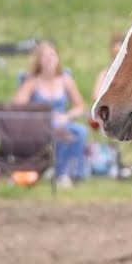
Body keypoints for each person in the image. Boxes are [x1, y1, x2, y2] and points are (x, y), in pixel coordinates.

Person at [13, 41, 88, 188]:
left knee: (80, 131)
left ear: (58, 59)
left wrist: (67, 116)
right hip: (39, 124)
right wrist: (42, 115)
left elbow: (80, 106)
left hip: (63, 121)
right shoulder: (32, 82)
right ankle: (60, 174)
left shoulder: (65, 80)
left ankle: (73, 173)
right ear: (39, 61)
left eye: (53, 56)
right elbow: (17, 106)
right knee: (59, 131)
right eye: (45, 56)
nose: (49, 60)